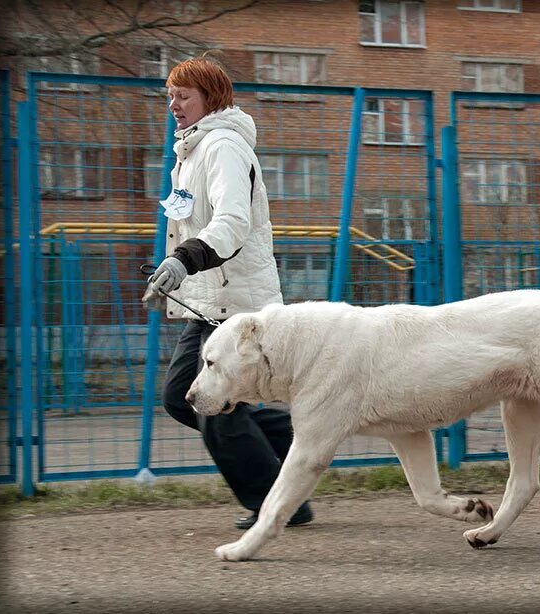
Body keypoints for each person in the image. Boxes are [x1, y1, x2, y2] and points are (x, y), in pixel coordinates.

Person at [142, 55, 312, 530]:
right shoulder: (192, 150)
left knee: (212, 404)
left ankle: (278, 503)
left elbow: (233, 222)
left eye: (183, 96)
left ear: (210, 98)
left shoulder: (222, 147)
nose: (173, 104)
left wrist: (183, 260)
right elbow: (191, 221)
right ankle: (296, 456)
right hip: (206, 298)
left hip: (235, 300)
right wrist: (170, 273)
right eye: (170, 96)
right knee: (184, 397)